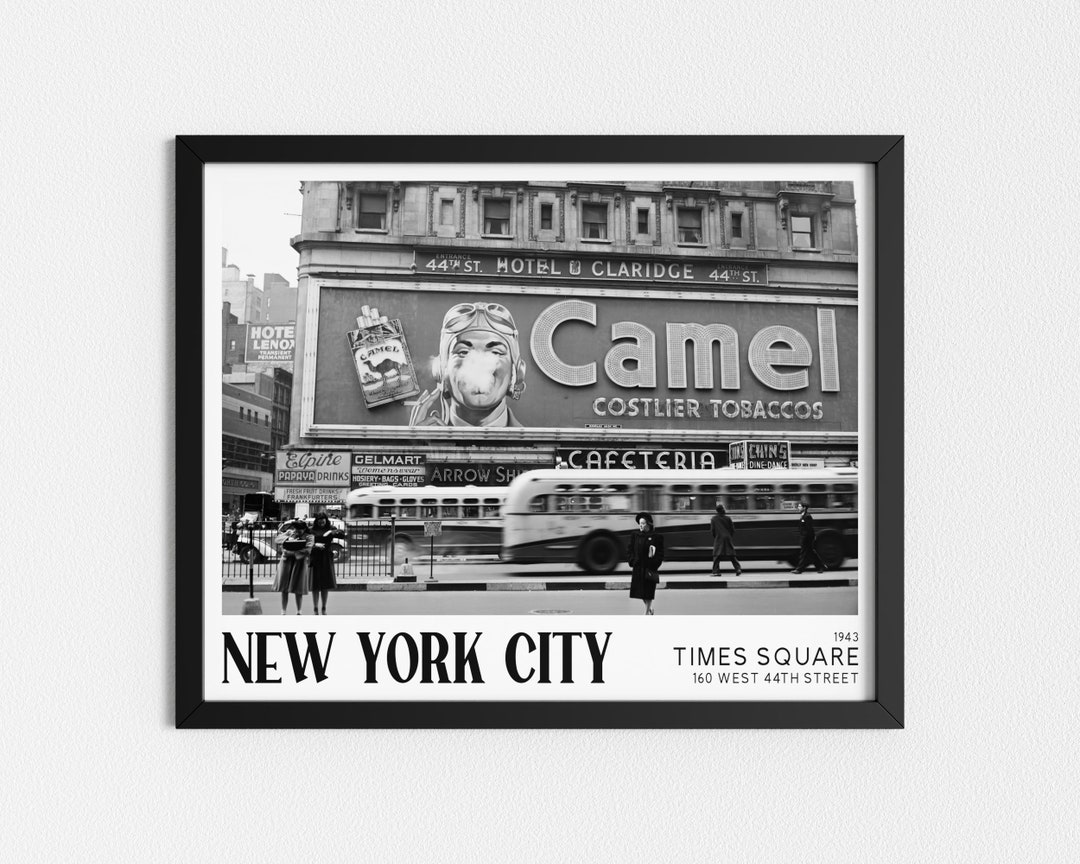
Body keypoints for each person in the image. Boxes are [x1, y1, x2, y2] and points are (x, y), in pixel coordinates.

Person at [409, 301, 526, 427]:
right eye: (463, 352)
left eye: (496, 352)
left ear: (516, 372)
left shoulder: (532, 445)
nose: (479, 365)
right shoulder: (422, 440)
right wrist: (412, 443)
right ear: (442, 371)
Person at [627, 511, 664, 616]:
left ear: (648, 524)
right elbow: (629, 550)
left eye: (643, 523)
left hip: (649, 568)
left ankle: (646, 613)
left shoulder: (656, 537)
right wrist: (632, 561)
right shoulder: (635, 535)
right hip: (638, 568)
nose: (641, 525)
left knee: (648, 592)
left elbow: (660, 553)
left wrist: (654, 563)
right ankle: (650, 608)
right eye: (639, 523)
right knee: (640, 592)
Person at [273, 519, 313, 614]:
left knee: (298, 588)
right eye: (296, 529)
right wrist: (287, 538)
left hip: (299, 562)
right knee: (284, 587)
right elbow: (277, 539)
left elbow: (308, 550)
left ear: (304, 529)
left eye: (300, 530)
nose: (297, 531)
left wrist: (291, 552)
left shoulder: (309, 536)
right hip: (286, 563)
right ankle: (283, 611)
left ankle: (299, 611)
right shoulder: (290, 533)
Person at [309, 513, 344, 615]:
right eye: (319, 519)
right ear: (317, 520)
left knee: (325, 585)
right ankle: (315, 608)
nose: (321, 521)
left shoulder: (330, 528)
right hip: (315, 558)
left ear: (326, 520)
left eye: (323, 519)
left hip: (326, 558)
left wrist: (333, 532)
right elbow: (307, 542)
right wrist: (315, 545)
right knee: (315, 585)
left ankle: (324, 607)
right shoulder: (311, 530)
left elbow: (341, 534)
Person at [791, 502, 826, 574]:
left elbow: (808, 529)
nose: (798, 508)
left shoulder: (807, 516)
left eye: (800, 506)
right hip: (805, 538)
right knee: (811, 553)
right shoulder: (803, 516)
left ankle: (799, 569)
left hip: (807, 539)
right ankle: (821, 567)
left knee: (803, 553)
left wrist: (804, 539)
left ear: (804, 508)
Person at [710, 503, 742, 576]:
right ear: (723, 510)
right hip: (727, 538)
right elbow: (732, 529)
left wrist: (716, 536)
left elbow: (712, 530)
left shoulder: (714, 519)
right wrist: (729, 536)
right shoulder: (728, 518)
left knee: (716, 555)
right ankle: (738, 569)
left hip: (719, 538)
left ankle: (716, 571)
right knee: (731, 555)